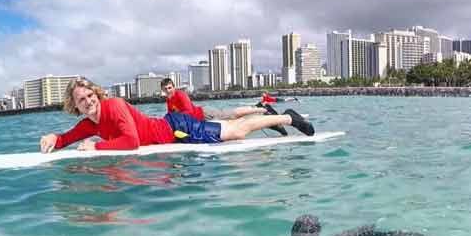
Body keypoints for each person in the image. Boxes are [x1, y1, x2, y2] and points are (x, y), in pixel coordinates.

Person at [39, 77, 314, 153]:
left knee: (237, 131)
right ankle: (282, 118)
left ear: (98, 95)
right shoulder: (89, 123)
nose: (88, 102)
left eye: (90, 96)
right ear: (75, 106)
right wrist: (53, 137)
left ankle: (289, 118)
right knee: (233, 129)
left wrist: (97, 147)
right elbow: (67, 138)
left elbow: (131, 141)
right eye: (81, 100)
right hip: (176, 133)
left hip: (177, 129)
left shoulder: (115, 106)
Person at [161, 78, 287, 136]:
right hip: (200, 121)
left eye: (170, 88)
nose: (168, 91)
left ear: (174, 87)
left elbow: (188, 112)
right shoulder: (169, 100)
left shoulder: (180, 95)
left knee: (232, 114)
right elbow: (171, 115)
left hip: (204, 114)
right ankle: (259, 109)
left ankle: (263, 110)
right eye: (165, 89)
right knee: (233, 118)